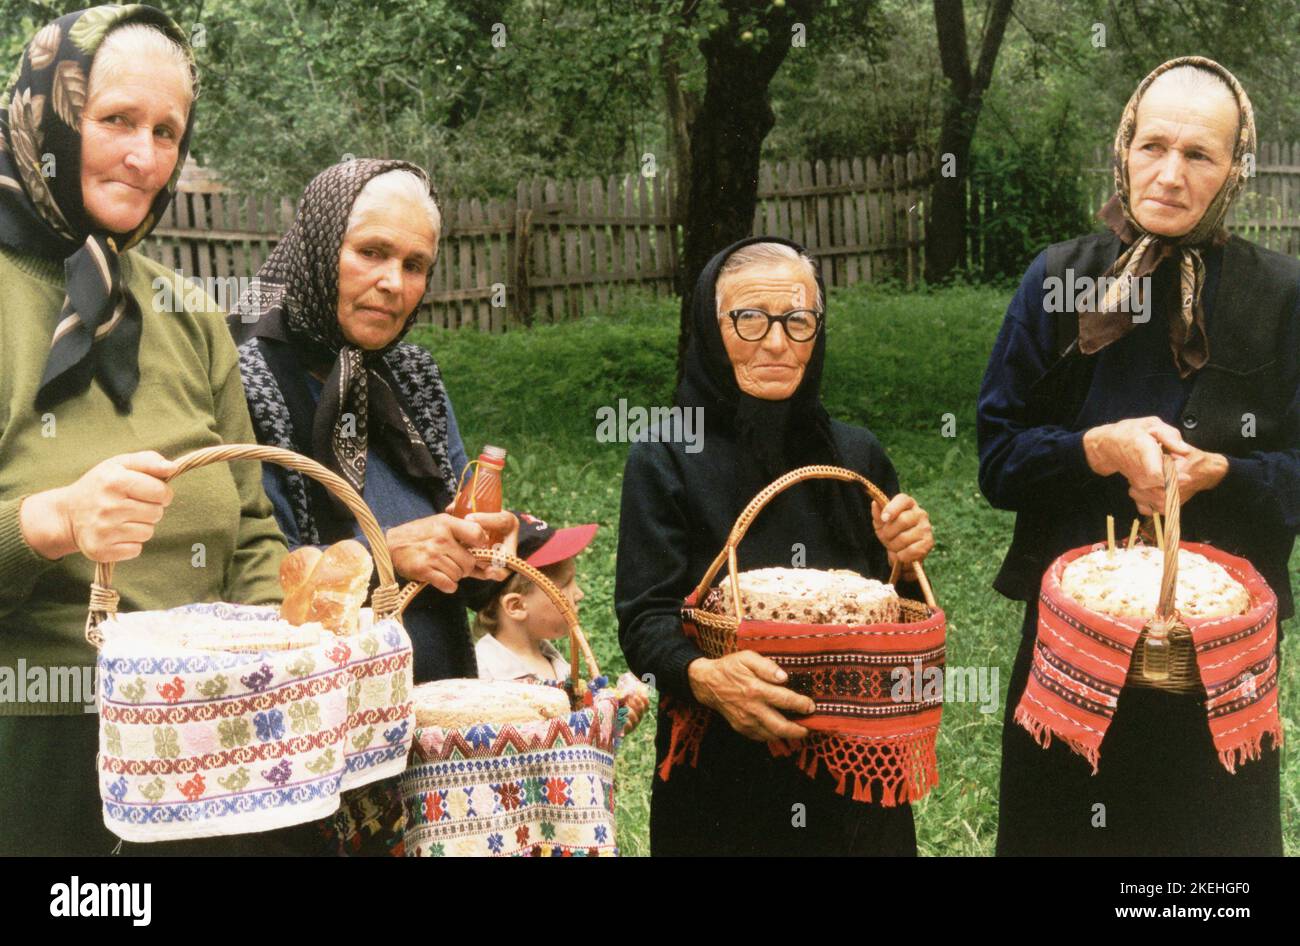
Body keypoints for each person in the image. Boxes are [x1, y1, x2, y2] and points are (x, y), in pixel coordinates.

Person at [978, 57, 1297, 856]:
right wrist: (1096, 450)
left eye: (1199, 155)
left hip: (1219, 667)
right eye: (1152, 146)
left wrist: (1224, 471)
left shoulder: (1283, 298)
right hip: (1070, 656)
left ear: (1236, 171)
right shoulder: (1059, 280)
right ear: (1122, 147)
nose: (1170, 174)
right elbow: (997, 458)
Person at [0, 7, 287, 856]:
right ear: (45, 113)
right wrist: (50, 523)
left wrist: (266, 669)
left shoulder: (188, 312)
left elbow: (253, 527)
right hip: (37, 744)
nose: (145, 156)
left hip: (207, 748)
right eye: (117, 119)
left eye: (167, 131)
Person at [229, 157, 519, 853]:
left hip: (433, 737)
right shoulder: (246, 379)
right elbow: (247, 588)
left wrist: (489, 553)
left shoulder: (410, 379)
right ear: (320, 245)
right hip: (312, 757)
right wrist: (382, 555)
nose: (394, 283)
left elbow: (454, 541)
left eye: (416, 264)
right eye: (371, 253)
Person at [615, 237, 935, 856]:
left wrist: (900, 557)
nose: (777, 342)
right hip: (722, 764)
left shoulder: (855, 455)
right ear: (711, 329)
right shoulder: (668, 456)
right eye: (750, 319)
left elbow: (886, 607)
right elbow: (643, 620)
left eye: (798, 321)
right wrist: (705, 676)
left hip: (853, 760)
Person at [469, 513, 650, 731]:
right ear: (516, 606)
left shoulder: (557, 665)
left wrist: (612, 724)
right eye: (566, 584)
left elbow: (576, 735)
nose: (580, 593)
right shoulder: (481, 674)